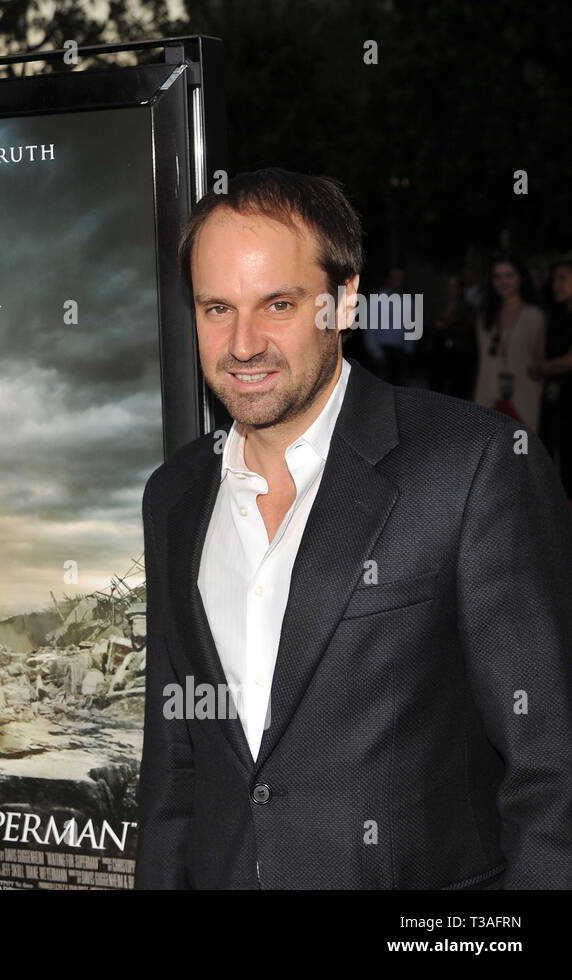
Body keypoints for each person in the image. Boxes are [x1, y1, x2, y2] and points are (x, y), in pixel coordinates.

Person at [135, 169, 572, 889]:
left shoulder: (470, 467)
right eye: (217, 308)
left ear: (342, 303)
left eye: (277, 304)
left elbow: (552, 766)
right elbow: (174, 767)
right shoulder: (174, 496)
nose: (243, 344)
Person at [473, 255, 546, 427]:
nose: (503, 281)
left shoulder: (534, 316)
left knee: (521, 452)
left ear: (520, 278)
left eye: (509, 275)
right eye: (497, 277)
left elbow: (539, 361)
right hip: (487, 398)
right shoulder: (484, 318)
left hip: (523, 399)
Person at [533, 258, 572, 502]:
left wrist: (544, 368)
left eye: (564, 279)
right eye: (555, 280)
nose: (557, 285)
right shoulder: (554, 315)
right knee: (548, 455)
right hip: (552, 397)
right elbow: (539, 356)